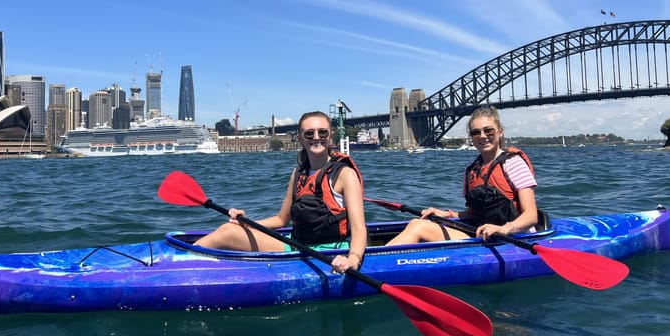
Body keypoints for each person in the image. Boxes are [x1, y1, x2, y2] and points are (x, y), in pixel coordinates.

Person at [194, 111, 367, 274]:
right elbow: (281, 220)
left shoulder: (345, 174)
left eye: (322, 132)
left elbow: (359, 228)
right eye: (309, 134)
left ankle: (179, 262)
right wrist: (246, 222)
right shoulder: (298, 173)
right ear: (300, 138)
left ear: (330, 135)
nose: (316, 138)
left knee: (227, 233)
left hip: (329, 250)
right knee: (231, 228)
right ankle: (183, 260)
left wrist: (353, 259)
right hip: (297, 245)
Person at [386, 106, 538, 245]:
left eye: (488, 130)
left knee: (419, 228)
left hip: (513, 238)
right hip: (482, 234)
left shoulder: (513, 163)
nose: (482, 136)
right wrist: (447, 214)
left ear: (500, 131)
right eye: (476, 132)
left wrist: (505, 229)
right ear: (471, 137)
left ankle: (370, 267)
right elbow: (475, 214)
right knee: (415, 223)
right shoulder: (472, 170)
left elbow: (531, 216)